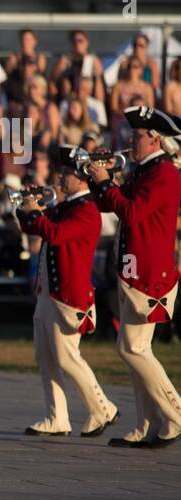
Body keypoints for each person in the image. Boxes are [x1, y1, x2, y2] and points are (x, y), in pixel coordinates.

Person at [86, 105, 181, 448]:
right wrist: (97, 180)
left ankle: (175, 413)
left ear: (156, 139)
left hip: (150, 274)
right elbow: (109, 205)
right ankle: (146, 423)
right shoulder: (145, 171)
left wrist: (107, 182)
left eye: (137, 136)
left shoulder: (165, 173)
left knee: (133, 348)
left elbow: (133, 212)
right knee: (135, 349)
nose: (131, 141)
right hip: (133, 271)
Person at [18, 145, 121, 438]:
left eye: (66, 173)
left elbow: (56, 234)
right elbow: (34, 228)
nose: (61, 177)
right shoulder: (66, 207)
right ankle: (57, 417)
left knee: (67, 357)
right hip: (48, 293)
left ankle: (103, 408)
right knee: (46, 357)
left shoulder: (87, 210)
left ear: (81, 178)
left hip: (68, 296)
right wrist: (25, 206)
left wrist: (36, 213)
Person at [53, 30, 106, 103]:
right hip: (70, 102)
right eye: (74, 42)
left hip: (90, 101)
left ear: (87, 42)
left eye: (80, 41)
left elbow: (101, 96)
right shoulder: (66, 61)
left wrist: (98, 73)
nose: (77, 44)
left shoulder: (92, 60)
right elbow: (53, 84)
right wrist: (59, 69)